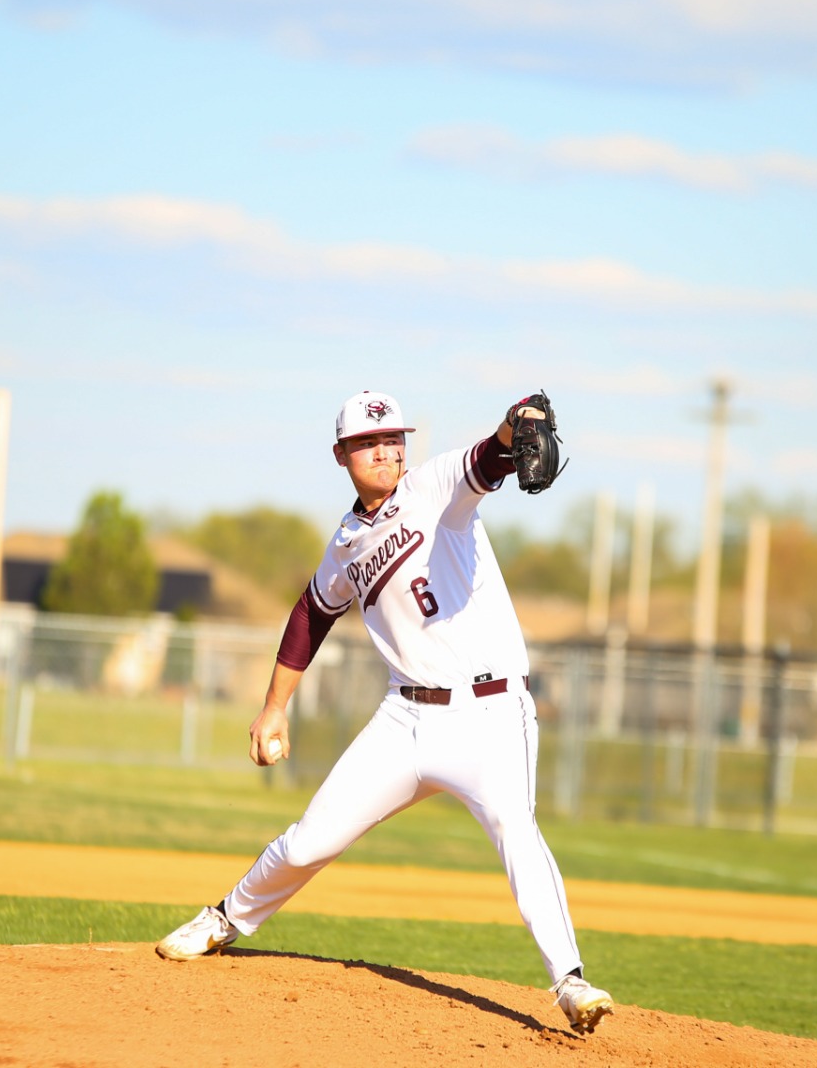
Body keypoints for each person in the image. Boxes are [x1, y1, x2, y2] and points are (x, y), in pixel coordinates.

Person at [155, 389, 613, 1034]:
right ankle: (227, 917)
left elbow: (489, 458)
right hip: (405, 719)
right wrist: (273, 708)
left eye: (393, 438)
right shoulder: (345, 543)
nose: (384, 450)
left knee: (517, 830)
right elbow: (312, 613)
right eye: (368, 442)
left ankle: (570, 982)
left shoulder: (432, 489)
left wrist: (518, 424)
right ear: (342, 455)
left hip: (489, 714)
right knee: (313, 837)